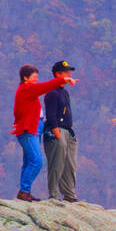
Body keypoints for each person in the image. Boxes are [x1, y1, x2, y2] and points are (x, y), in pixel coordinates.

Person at [11, 64, 76, 202]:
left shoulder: (27, 92)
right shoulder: (26, 89)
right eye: (34, 77)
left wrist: (18, 123)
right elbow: (45, 86)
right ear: (25, 77)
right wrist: (63, 80)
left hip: (32, 129)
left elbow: (19, 110)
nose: (36, 80)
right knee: (36, 161)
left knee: (28, 161)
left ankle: (25, 191)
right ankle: (23, 191)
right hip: (29, 130)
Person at [42, 59, 78, 202]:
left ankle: (69, 195)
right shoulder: (52, 93)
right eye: (66, 72)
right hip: (56, 131)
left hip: (68, 131)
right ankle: (53, 195)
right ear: (58, 74)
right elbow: (51, 115)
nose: (69, 74)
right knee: (57, 164)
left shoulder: (64, 93)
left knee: (70, 165)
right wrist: (56, 132)